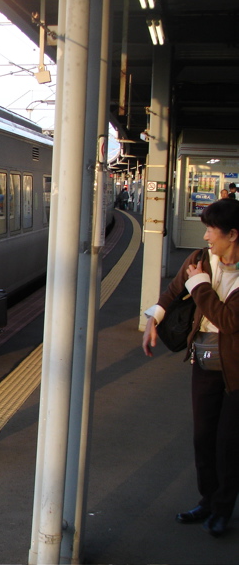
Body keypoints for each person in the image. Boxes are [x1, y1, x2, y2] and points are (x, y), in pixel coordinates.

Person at [142, 198, 239, 537]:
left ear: (233, 234)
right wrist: (153, 319)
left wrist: (199, 286)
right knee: (203, 437)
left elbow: (228, 321)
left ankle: (223, 508)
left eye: (212, 230)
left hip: (236, 370)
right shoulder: (200, 259)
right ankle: (207, 500)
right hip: (205, 361)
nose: (207, 236)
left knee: (228, 443)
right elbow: (173, 292)